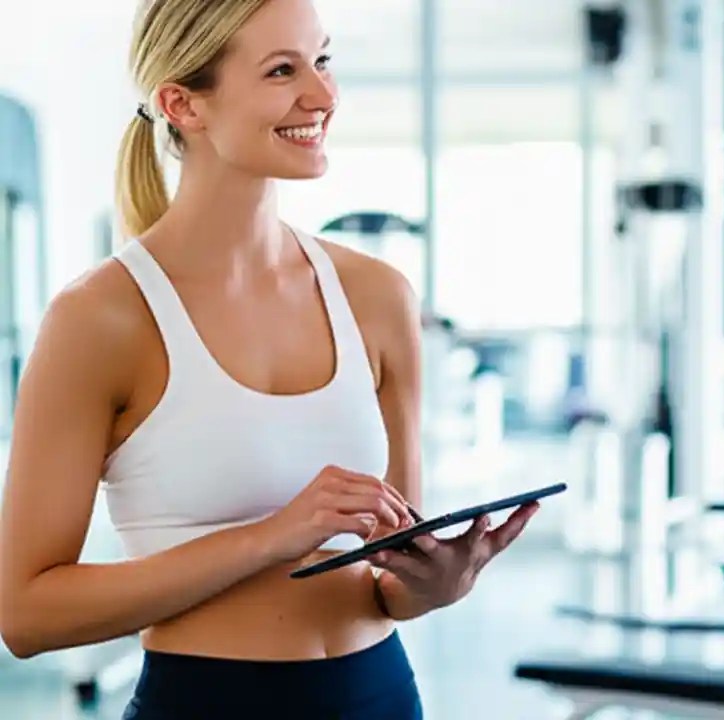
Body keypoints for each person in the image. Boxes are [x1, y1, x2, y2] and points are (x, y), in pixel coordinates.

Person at [0, 1, 539, 718]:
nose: (322, 95)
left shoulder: (378, 297)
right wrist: (273, 536)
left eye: (322, 60)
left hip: (378, 694)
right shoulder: (100, 319)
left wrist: (439, 582)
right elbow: (28, 616)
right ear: (182, 104)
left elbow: (392, 584)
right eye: (282, 70)